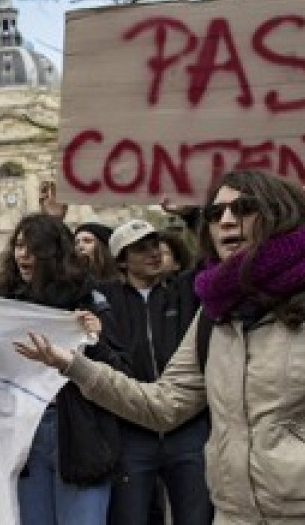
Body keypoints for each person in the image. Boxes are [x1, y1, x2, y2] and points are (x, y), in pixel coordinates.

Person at [16, 169, 305, 524]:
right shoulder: (215, 314)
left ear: (280, 214)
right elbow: (163, 405)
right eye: (214, 213)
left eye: (244, 208)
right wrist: (74, 365)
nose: (225, 220)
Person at [0, 213, 125, 525]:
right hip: (25, 436)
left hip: (80, 434)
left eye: (33, 247)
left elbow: (121, 373)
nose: (23, 255)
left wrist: (97, 339)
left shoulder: (91, 300)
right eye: (19, 246)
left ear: (53, 252)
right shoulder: (1, 303)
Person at [100, 220, 212, 525]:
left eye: (154, 244)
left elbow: (212, 254)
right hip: (131, 433)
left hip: (187, 430)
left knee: (197, 517)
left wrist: (191, 215)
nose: (153, 253)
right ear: (121, 259)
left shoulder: (186, 290)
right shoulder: (103, 300)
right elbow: (63, 277)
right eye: (140, 248)